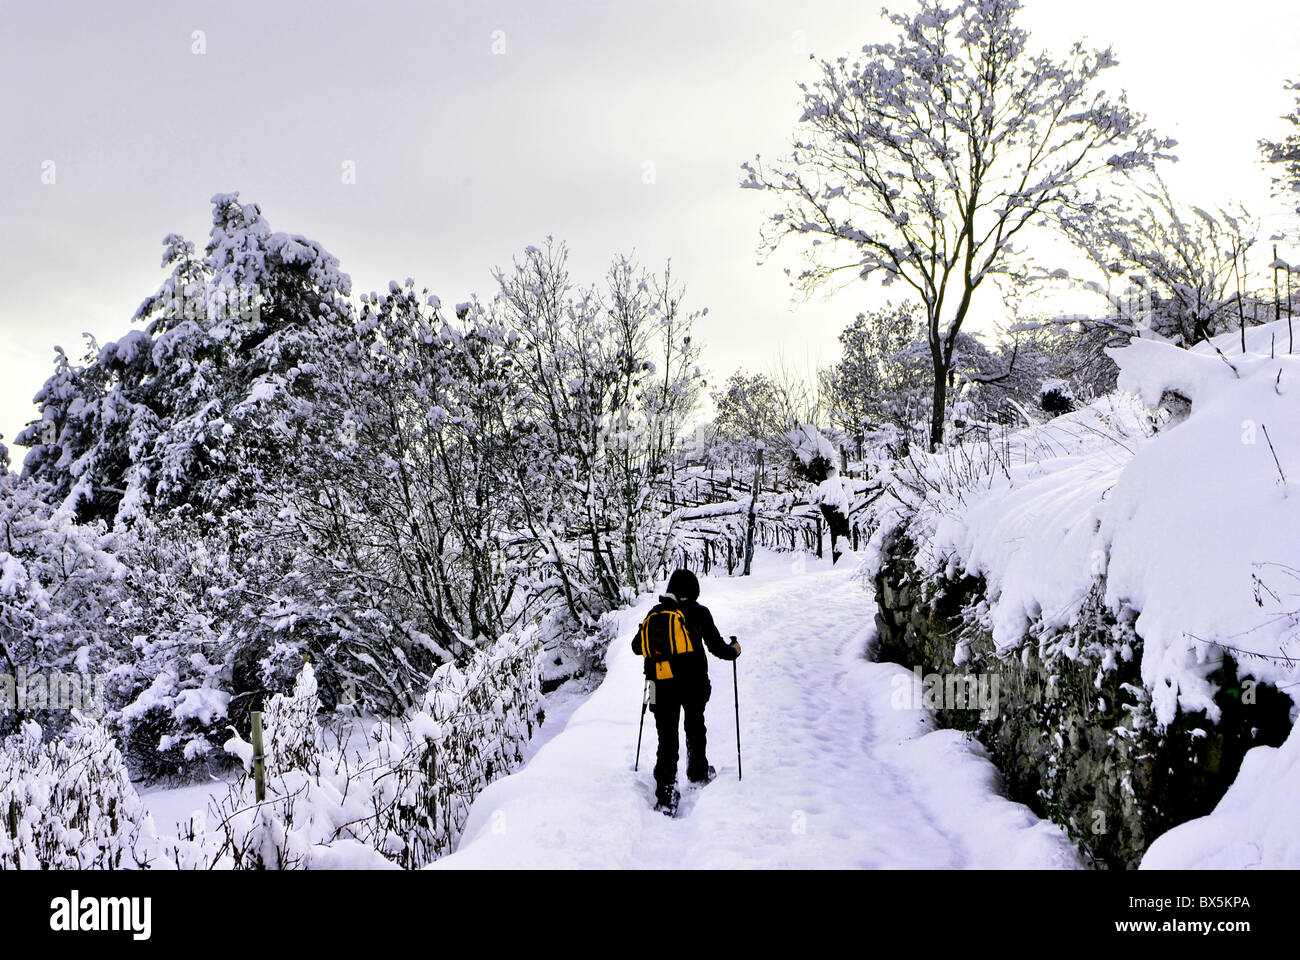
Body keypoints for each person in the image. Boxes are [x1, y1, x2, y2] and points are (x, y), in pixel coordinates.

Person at [631, 568, 741, 814]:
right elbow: (717, 648)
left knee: (665, 737)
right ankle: (698, 772)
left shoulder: (655, 613)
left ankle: (666, 792)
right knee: (694, 725)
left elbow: (636, 647)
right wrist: (734, 650)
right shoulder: (699, 612)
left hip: (657, 685)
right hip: (692, 683)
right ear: (693, 590)